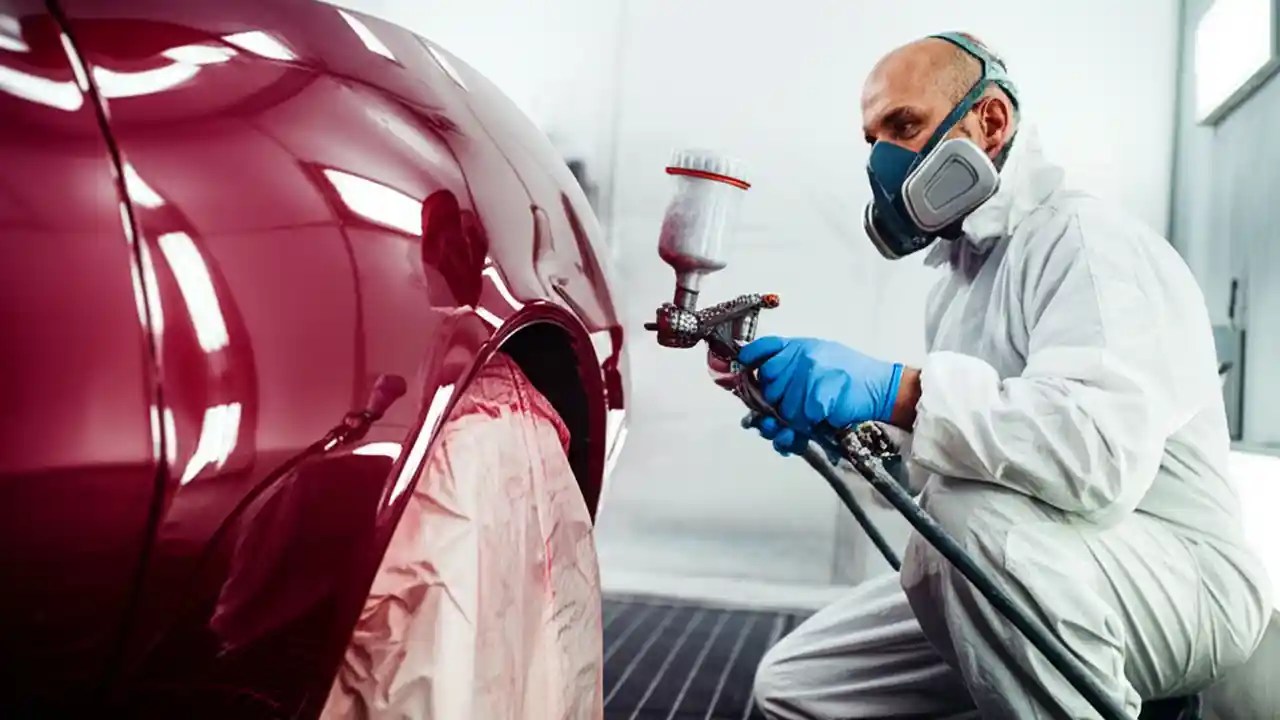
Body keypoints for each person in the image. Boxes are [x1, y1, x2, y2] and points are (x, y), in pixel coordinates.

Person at [744, 32, 1273, 719]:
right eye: (873, 138)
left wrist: (899, 390)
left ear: (990, 122)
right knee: (797, 685)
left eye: (904, 126)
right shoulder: (959, 282)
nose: (884, 160)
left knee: (966, 523)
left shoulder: (1085, 242)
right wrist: (845, 434)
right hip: (1044, 560)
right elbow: (955, 472)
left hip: (1185, 580)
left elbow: (1095, 456)